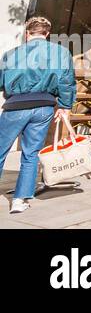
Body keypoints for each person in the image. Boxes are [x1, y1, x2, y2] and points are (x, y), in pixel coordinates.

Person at [0, 17, 76, 213]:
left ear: (27, 33)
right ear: (47, 33)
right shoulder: (61, 53)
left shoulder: (12, 54)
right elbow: (66, 83)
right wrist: (65, 106)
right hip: (44, 107)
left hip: (15, 107)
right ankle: (20, 200)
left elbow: (1, 82)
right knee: (31, 154)